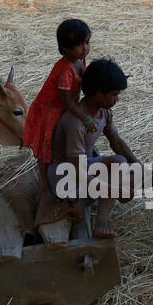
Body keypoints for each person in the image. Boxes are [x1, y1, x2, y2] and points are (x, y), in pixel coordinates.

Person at [48, 58, 140, 240]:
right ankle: (98, 220)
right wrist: (115, 190)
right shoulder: (76, 123)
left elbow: (116, 141)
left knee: (121, 164)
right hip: (64, 177)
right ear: (98, 93)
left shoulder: (103, 112)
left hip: (82, 171)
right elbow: (78, 172)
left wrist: (137, 164)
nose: (117, 99)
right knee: (118, 166)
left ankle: (99, 221)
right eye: (114, 94)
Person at [23, 18, 92, 183]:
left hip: (65, 108)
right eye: (80, 44)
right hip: (51, 112)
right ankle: (45, 185)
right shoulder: (65, 72)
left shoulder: (80, 60)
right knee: (46, 152)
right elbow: (67, 102)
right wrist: (86, 118)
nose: (86, 48)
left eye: (88, 42)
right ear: (65, 48)